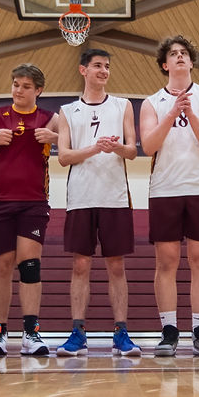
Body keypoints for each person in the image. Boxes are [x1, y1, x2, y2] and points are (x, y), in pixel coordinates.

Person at [0, 63, 58, 356]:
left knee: (30, 265)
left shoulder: (50, 118)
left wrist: (55, 138)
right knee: (2, 266)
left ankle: (31, 332)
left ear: (38, 90)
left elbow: (73, 145)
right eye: (16, 84)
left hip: (34, 202)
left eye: (26, 86)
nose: (19, 90)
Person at [138, 35, 199, 356]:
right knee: (167, 262)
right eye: (173, 54)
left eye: (184, 53)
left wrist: (192, 114)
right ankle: (169, 331)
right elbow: (149, 146)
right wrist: (173, 112)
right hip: (164, 190)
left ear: (191, 62)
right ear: (165, 64)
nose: (179, 57)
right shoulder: (152, 103)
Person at [55, 48, 142, 357]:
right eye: (97, 66)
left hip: (114, 197)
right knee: (80, 264)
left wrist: (115, 148)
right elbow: (64, 156)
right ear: (83, 70)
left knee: (116, 265)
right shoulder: (67, 111)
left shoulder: (123, 106)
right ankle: (78, 333)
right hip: (80, 197)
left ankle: (121, 333)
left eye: (106, 66)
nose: (103, 70)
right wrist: (94, 148)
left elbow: (132, 151)